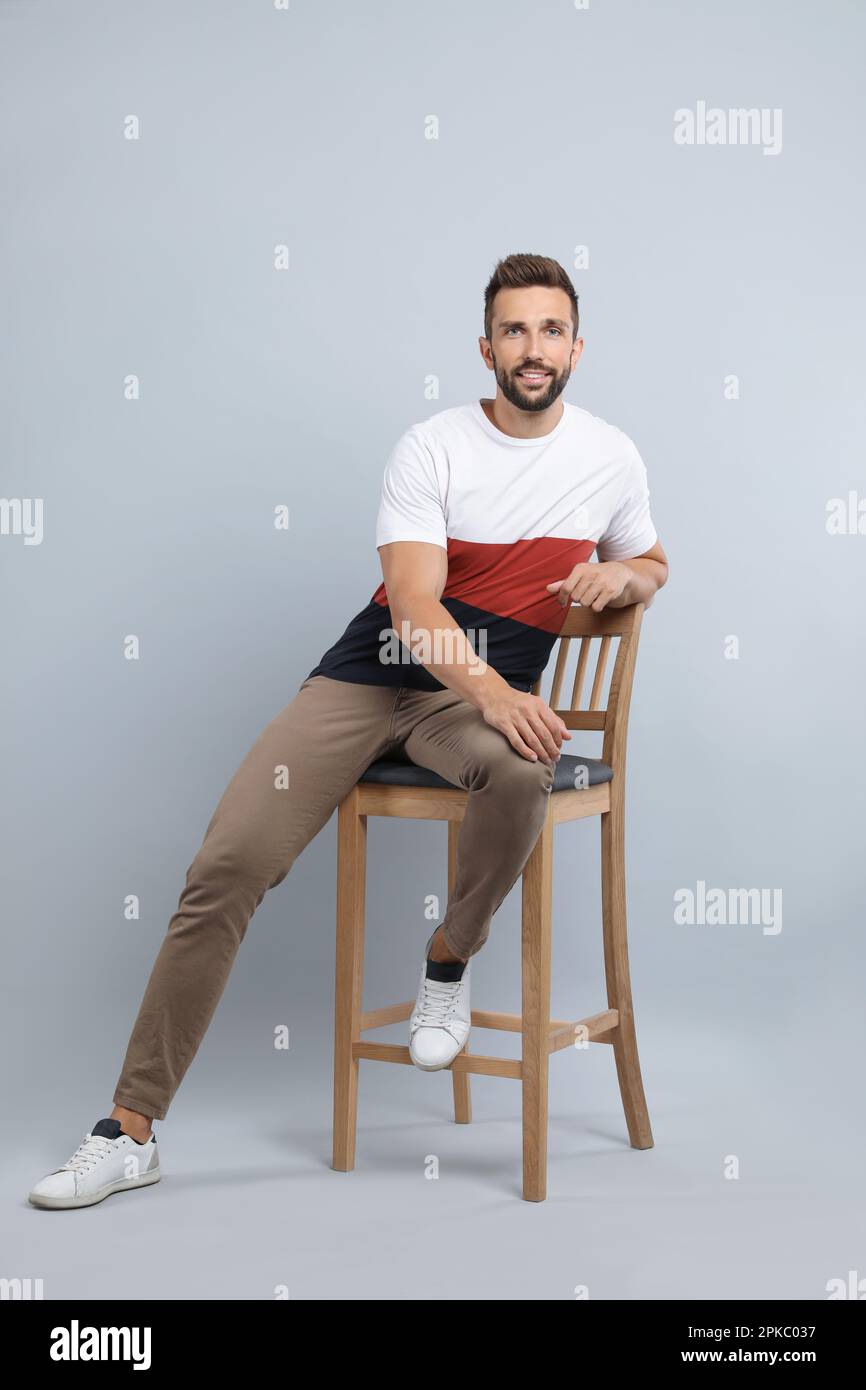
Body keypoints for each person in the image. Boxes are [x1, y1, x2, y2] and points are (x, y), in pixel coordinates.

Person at [28, 252, 669, 1209]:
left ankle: (447, 957)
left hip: (464, 709)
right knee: (227, 866)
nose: (531, 349)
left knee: (522, 773)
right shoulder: (432, 445)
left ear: (578, 345)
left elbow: (651, 558)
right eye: (512, 330)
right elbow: (413, 605)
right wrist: (499, 692)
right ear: (484, 345)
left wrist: (630, 578)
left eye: (549, 330)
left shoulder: (611, 456)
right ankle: (129, 1129)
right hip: (367, 682)